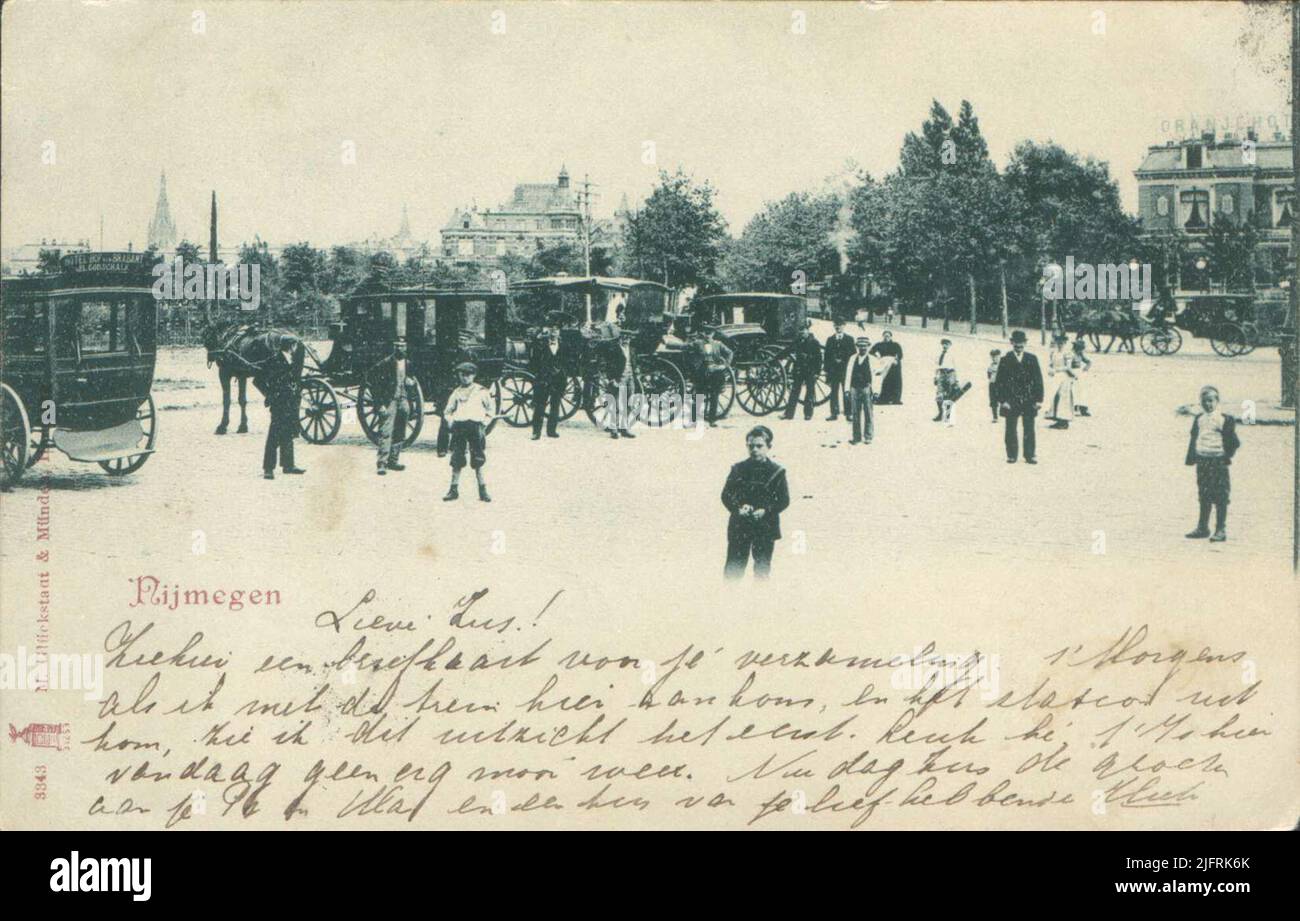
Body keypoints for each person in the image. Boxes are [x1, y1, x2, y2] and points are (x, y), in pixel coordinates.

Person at [721, 425, 790, 580]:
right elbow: (726, 494)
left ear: (769, 447)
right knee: (734, 568)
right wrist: (738, 507)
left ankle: (760, 601)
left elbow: (784, 500)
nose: (754, 450)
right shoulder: (738, 469)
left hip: (766, 526)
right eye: (750, 446)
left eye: (759, 446)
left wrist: (766, 510)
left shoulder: (777, 472)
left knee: (762, 569)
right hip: (740, 525)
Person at [1185, 385, 1240, 542]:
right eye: (1204, 401)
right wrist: (1193, 457)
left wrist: (1224, 456)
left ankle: (1220, 529)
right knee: (1204, 494)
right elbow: (1194, 438)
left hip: (1218, 463)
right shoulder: (1199, 419)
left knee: (1221, 495)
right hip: (1203, 462)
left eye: (1210, 401)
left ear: (1217, 401)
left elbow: (1234, 442)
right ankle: (1203, 527)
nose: (1208, 404)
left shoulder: (1224, 419)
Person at [254, 335, 305, 480]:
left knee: (288, 432)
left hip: (291, 402)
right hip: (279, 402)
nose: (296, 348)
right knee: (274, 434)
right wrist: (270, 395)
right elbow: (257, 381)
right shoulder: (273, 360)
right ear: (289, 346)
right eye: (294, 345)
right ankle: (268, 468)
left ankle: (288, 465)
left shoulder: (292, 360)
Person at [442, 361, 494, 502]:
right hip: (459, 427)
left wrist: (484, 423)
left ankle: (482, 490)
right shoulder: (456, 392)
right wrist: (451, 421)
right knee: (457, 458)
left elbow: (491, 410)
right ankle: (453, 490)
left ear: (474, 375)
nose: (465, 378)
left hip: (475, 427)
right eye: (462, 375)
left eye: (468, 375)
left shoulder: (482, 391)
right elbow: (447, 411)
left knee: (478, 458)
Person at [993, 330, 1044, 464]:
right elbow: (999, 382)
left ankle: (1030, 455)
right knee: (1010, 428)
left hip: (1029, 399)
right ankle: (1011, 455)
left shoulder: (1032, 359)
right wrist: (1003, 401)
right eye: (1016, 343)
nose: (1019, 346)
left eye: (1021, 343)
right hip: (1011, 400)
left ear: (1025, 343)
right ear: (1012, 343)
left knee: (1029, 428)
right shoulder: (1005, 360)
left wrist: (1039, 400)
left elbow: (1038, 380)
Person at [367, 340, 410, 475]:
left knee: (400, 431)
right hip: (389, 401)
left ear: (406, 347)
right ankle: (382, 463)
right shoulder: (385, 363)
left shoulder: (408, 364)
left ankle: (393, 460)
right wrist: (379, 404)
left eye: (402, 346)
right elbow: (372, 380)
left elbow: (413, 381)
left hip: (403, 400)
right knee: (386, 431)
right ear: (393, 347)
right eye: (397, 346)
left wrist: (411, 382)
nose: (400, 348)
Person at [529, 325, 569, 440]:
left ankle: (552, 431)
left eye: (556, 330)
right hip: (543, 380)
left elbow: (567, 362)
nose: (553, 333)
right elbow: (534, 361)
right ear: (548, 332)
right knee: (540, 406)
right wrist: (539, 375)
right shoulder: (540, 345)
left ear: (559, 332)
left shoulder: (564, 346)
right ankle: (536, 432)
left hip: (558, 380)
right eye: (552, 330)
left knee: (555, 406)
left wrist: (563, 373)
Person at [598, 327, 638, 439]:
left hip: (630, 378)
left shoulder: (632, 349)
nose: (626, 340)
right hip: (618, 378)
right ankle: (613, 429)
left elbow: (634, 362)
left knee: (629, 403)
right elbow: (608, 365)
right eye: (624, 338)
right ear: (620, 338)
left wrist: (635, 372)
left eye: (628, 338)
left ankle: (624, 428)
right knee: (615, 404)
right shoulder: (614, 349)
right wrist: (611, 379)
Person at [691, 326, 733, 426]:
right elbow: (685, 348)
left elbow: (730, 352)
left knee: (715, 395)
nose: (708, 335)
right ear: (703, 333)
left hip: (715, 372)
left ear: (713, 334)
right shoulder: (697, 343)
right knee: (699, 394)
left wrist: (724, 365)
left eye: (710, 332)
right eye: (706, 332)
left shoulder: (718, 344)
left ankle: (712, 419)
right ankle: (694, 419)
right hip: (702, 371)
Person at [781, 322, 822, 421]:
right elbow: (788, 350)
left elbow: (819, 359)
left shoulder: (814, 342)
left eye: (804, 330)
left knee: (809, 393)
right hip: (799, 370)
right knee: (794, 392)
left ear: (808, 331)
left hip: (810, 371)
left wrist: (817, 372)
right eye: (801, 331)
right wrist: (777, 358)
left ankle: (808, 414)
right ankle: (789, 414)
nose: (802, 333)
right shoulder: (798, 341)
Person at [843, 336, 874, 444]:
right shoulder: (852, 358)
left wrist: (876, 391)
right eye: (860, 346)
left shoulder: (872, 359)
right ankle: (856, 437)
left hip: (866, 388)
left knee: (868, 412)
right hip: (854, 388)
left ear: (868, 347)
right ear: (857, 347)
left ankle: (868, 436)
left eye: (864, 346)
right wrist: (847, 390)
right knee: (855, 413)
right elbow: (848, 374)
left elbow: (876, 376)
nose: (862, 348)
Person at [822, 320, 856, 420]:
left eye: (840, 325)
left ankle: (848, 413)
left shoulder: (849, 339)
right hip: (833, 370)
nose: (838, 327)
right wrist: (827, 370)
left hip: (845, 370)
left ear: (844, 326)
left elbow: (853, 354)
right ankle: (834, 413)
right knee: (833, 392)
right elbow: (826, 355)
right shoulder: (830, 339)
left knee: (847, 392)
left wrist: (843, 360)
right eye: (836, 325)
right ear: (834, 326)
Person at [933, 338, 969, 424]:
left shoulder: (953, 354)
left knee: (949, 395)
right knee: (939, 395)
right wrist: (935, 377)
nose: (945, 345)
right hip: (941, 375)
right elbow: (936, 366)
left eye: (947, 344)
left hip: (950, 374)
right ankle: (940, 413)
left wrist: (956, 380)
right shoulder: (939, 354)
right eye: (943, 344)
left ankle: (947, 416)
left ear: (950, 345)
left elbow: (957, 367)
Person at [1046, 333, 1077, 430]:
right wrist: (1051, 370)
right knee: (1056, 396)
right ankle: (1057, 419)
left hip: (1064, 376)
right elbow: (1051, 364)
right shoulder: (1054, 353)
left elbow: (1068, 367)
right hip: (1056, 376)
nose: (1060, 344)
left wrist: (1057, 370)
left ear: (1065, 342)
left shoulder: (1067, 353)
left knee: (1064, 397)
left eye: (1062, 342)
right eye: (1058, 342)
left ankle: (1064, 421)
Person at [869, 329, 903, 404]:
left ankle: (895, 399)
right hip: (883, 364)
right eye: (885, 336)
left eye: (888, 336)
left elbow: (900, 354)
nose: (886, 337)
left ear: (891, 337)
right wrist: (877, 357)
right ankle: (884, 398)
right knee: (884, 381)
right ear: (883, 336)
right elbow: (871, 352)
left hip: (894, 365)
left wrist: (896, 359)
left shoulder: (896, 345)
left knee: (895, 381)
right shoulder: (879, 344)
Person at [1071, 338, 1093, 417]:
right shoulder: (1071, 354)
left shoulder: (1080, 354)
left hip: (1079, 373)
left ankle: (1083, 408)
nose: (1081, 351)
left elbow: (1089, 362)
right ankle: (1075, 408)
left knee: (1082, 391)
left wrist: (1086, 368)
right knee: (1074, 391)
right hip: (1072, 373)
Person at [986, 349, 1002, 423]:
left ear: (999, 356)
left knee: (1003, 399)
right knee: (993, 401)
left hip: (1001, 384)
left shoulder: (1003, 365)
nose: (994, 358)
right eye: (992, 357)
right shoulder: (991, 366)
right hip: (992, 384)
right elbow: (988, 376)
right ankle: (995, 417)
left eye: (996, 357)